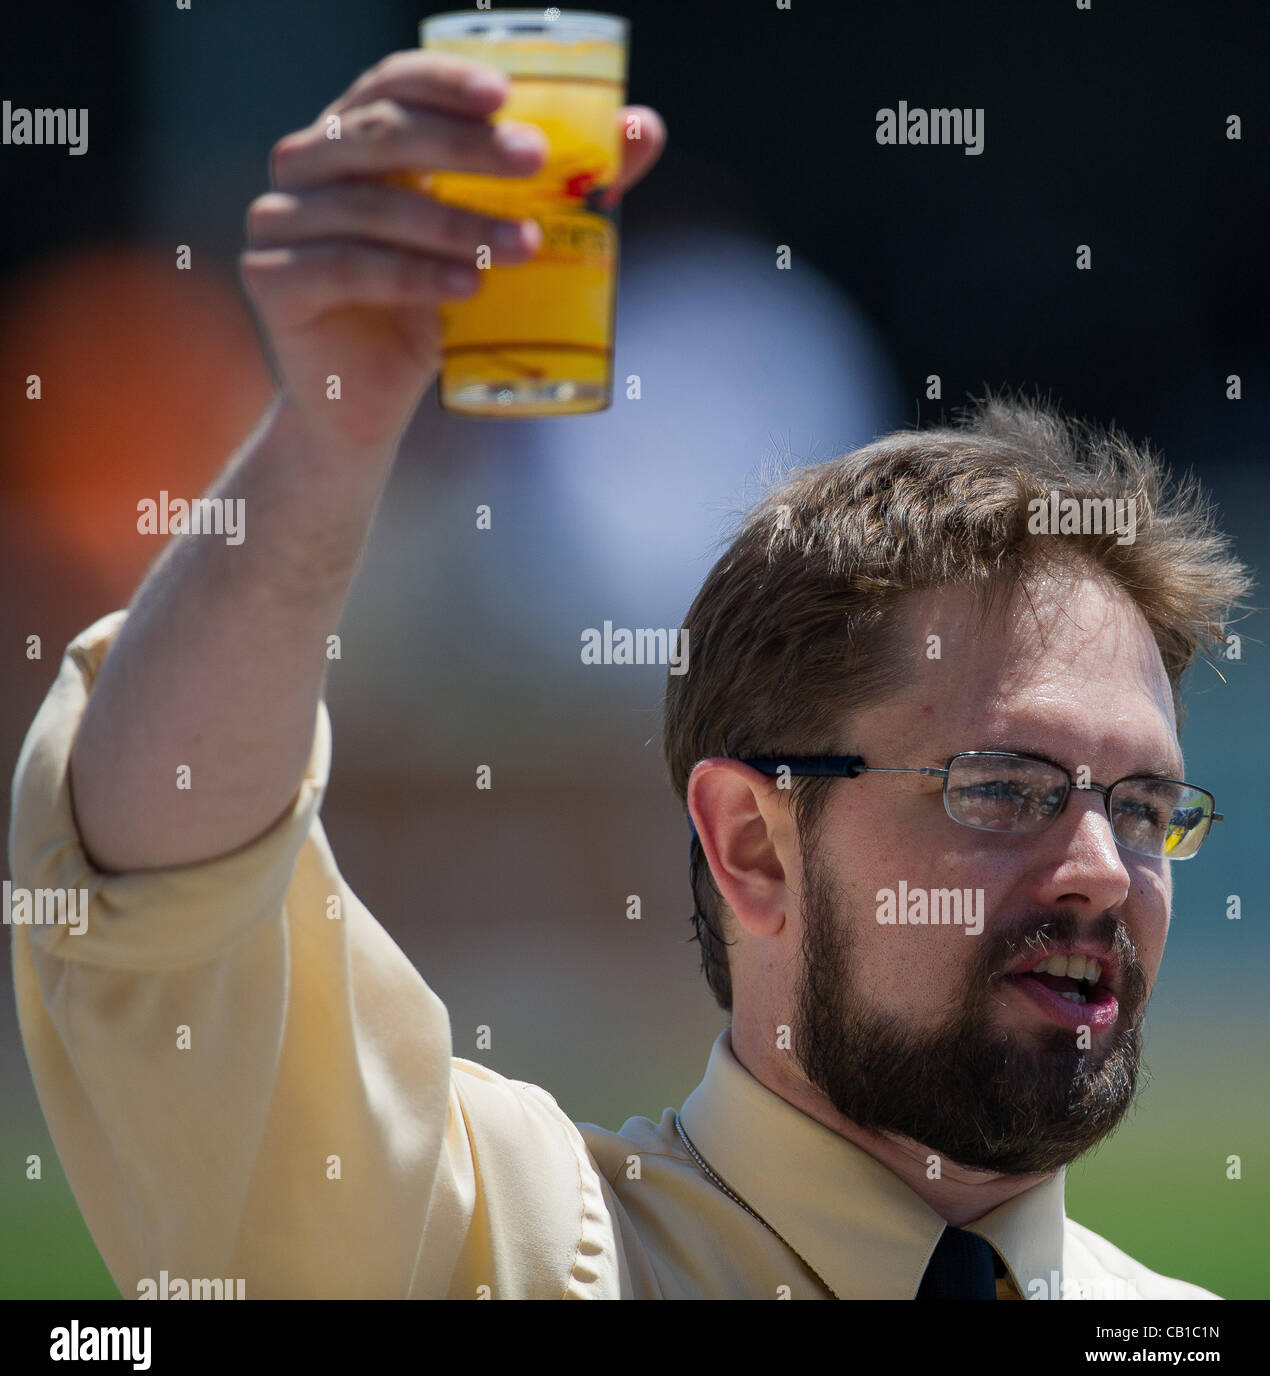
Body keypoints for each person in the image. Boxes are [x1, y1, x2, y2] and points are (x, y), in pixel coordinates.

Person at [8, 52, 1244, 1300]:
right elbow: (163, 900)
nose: (1102, 869)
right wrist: (339, 419)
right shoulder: (492, 1250)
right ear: (752, 846)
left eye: (1143, 805)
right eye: (1004, 784)